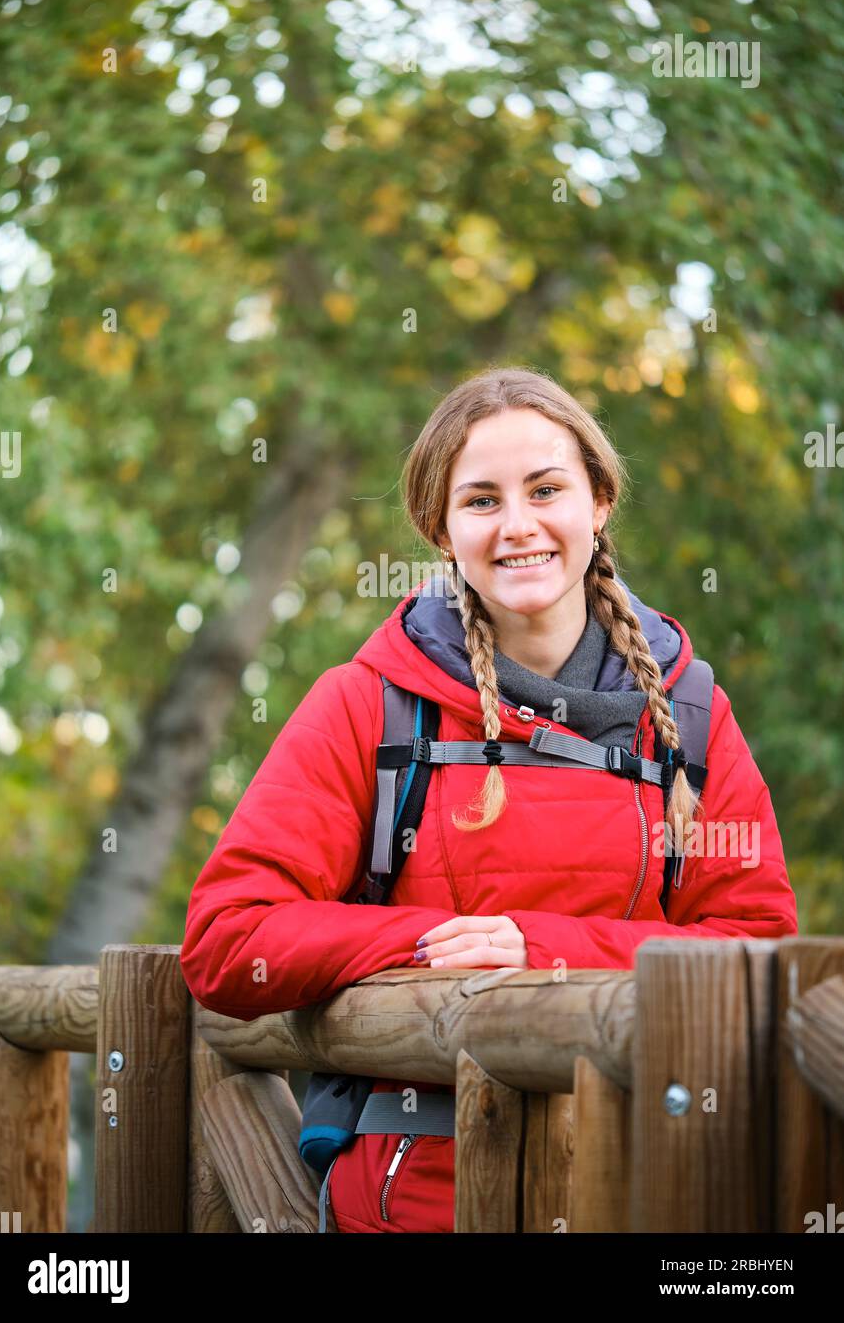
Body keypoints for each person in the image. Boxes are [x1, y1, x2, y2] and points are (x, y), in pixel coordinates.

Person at [180, 366, 799, 1233]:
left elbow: (758, 951)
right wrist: (435, 946)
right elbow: (225, 940)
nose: (518, 527)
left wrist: (532, 945)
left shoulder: (690, 717)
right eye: (481, 501)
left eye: (547, 489)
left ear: (600, 502)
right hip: (414, 1205)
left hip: (643, 1194)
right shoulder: (367, 702)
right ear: (442, 532)